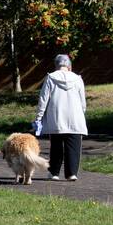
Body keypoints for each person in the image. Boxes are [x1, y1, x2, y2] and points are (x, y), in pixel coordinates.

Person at [32, 53, 87, 181]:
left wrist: (39, 117)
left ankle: (54, 173)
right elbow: (82, 102)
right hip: (75, 119)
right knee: (73, 147)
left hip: (56, 118)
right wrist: (81, 114)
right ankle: (71, 173)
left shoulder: (50, 78)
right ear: (69, 65)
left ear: (56, 65)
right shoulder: (78, 79)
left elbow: (43, 100)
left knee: (56, 146)